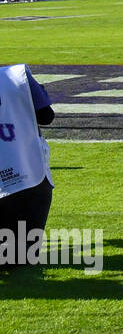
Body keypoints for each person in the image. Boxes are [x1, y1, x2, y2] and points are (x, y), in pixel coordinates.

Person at [0, 65, 55, 256]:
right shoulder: (17, 74)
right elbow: (47, 116)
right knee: (21, 256)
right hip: (28, 176)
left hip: (22, 181)